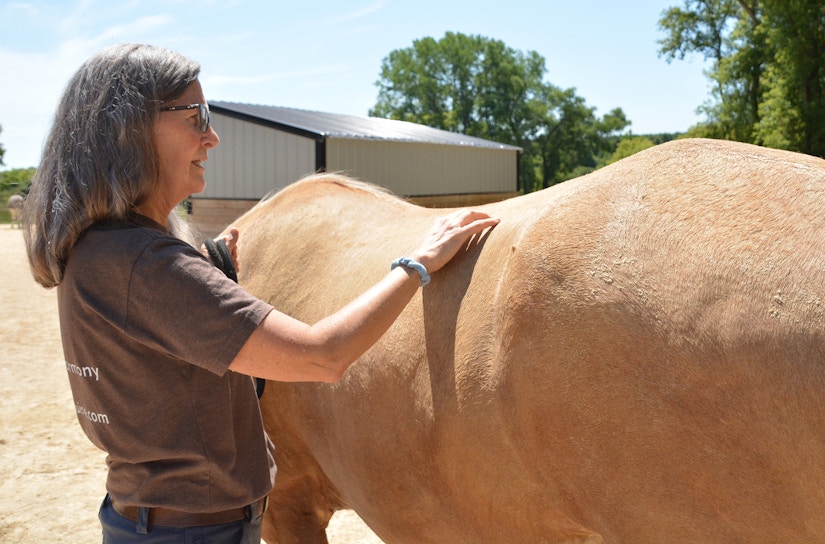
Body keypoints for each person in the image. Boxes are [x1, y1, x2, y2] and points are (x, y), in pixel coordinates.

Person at [21, 43, 499, 544]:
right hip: (195, 532)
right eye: (195, 116)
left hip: (154, 519)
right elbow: (322, 356)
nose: (212, 136)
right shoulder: (150, 266)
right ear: (132, 128)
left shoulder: (102, 250)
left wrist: (205, 271)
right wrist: (417, 263)